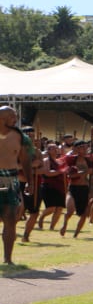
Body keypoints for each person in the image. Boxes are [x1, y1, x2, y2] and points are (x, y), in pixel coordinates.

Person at [0, 106, 32, 265]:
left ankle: (7, 258)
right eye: (13, 116)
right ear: (2, 118)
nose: (16, 119)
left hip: (10, 179)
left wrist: (30, 182)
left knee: (10, 218)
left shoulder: (20, 137)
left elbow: (26, 161)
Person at [59, 140, 93, 238]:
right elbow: (70, 175)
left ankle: (76, 234)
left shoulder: (90, 161)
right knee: (70, 210)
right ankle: (64, 225)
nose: (84, 149)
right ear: (76, 149)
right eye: (82, 147)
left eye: (85, 147)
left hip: (85, 189)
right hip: (73, 188)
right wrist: (84, 172)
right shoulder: (71, 160)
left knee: (84, 214)